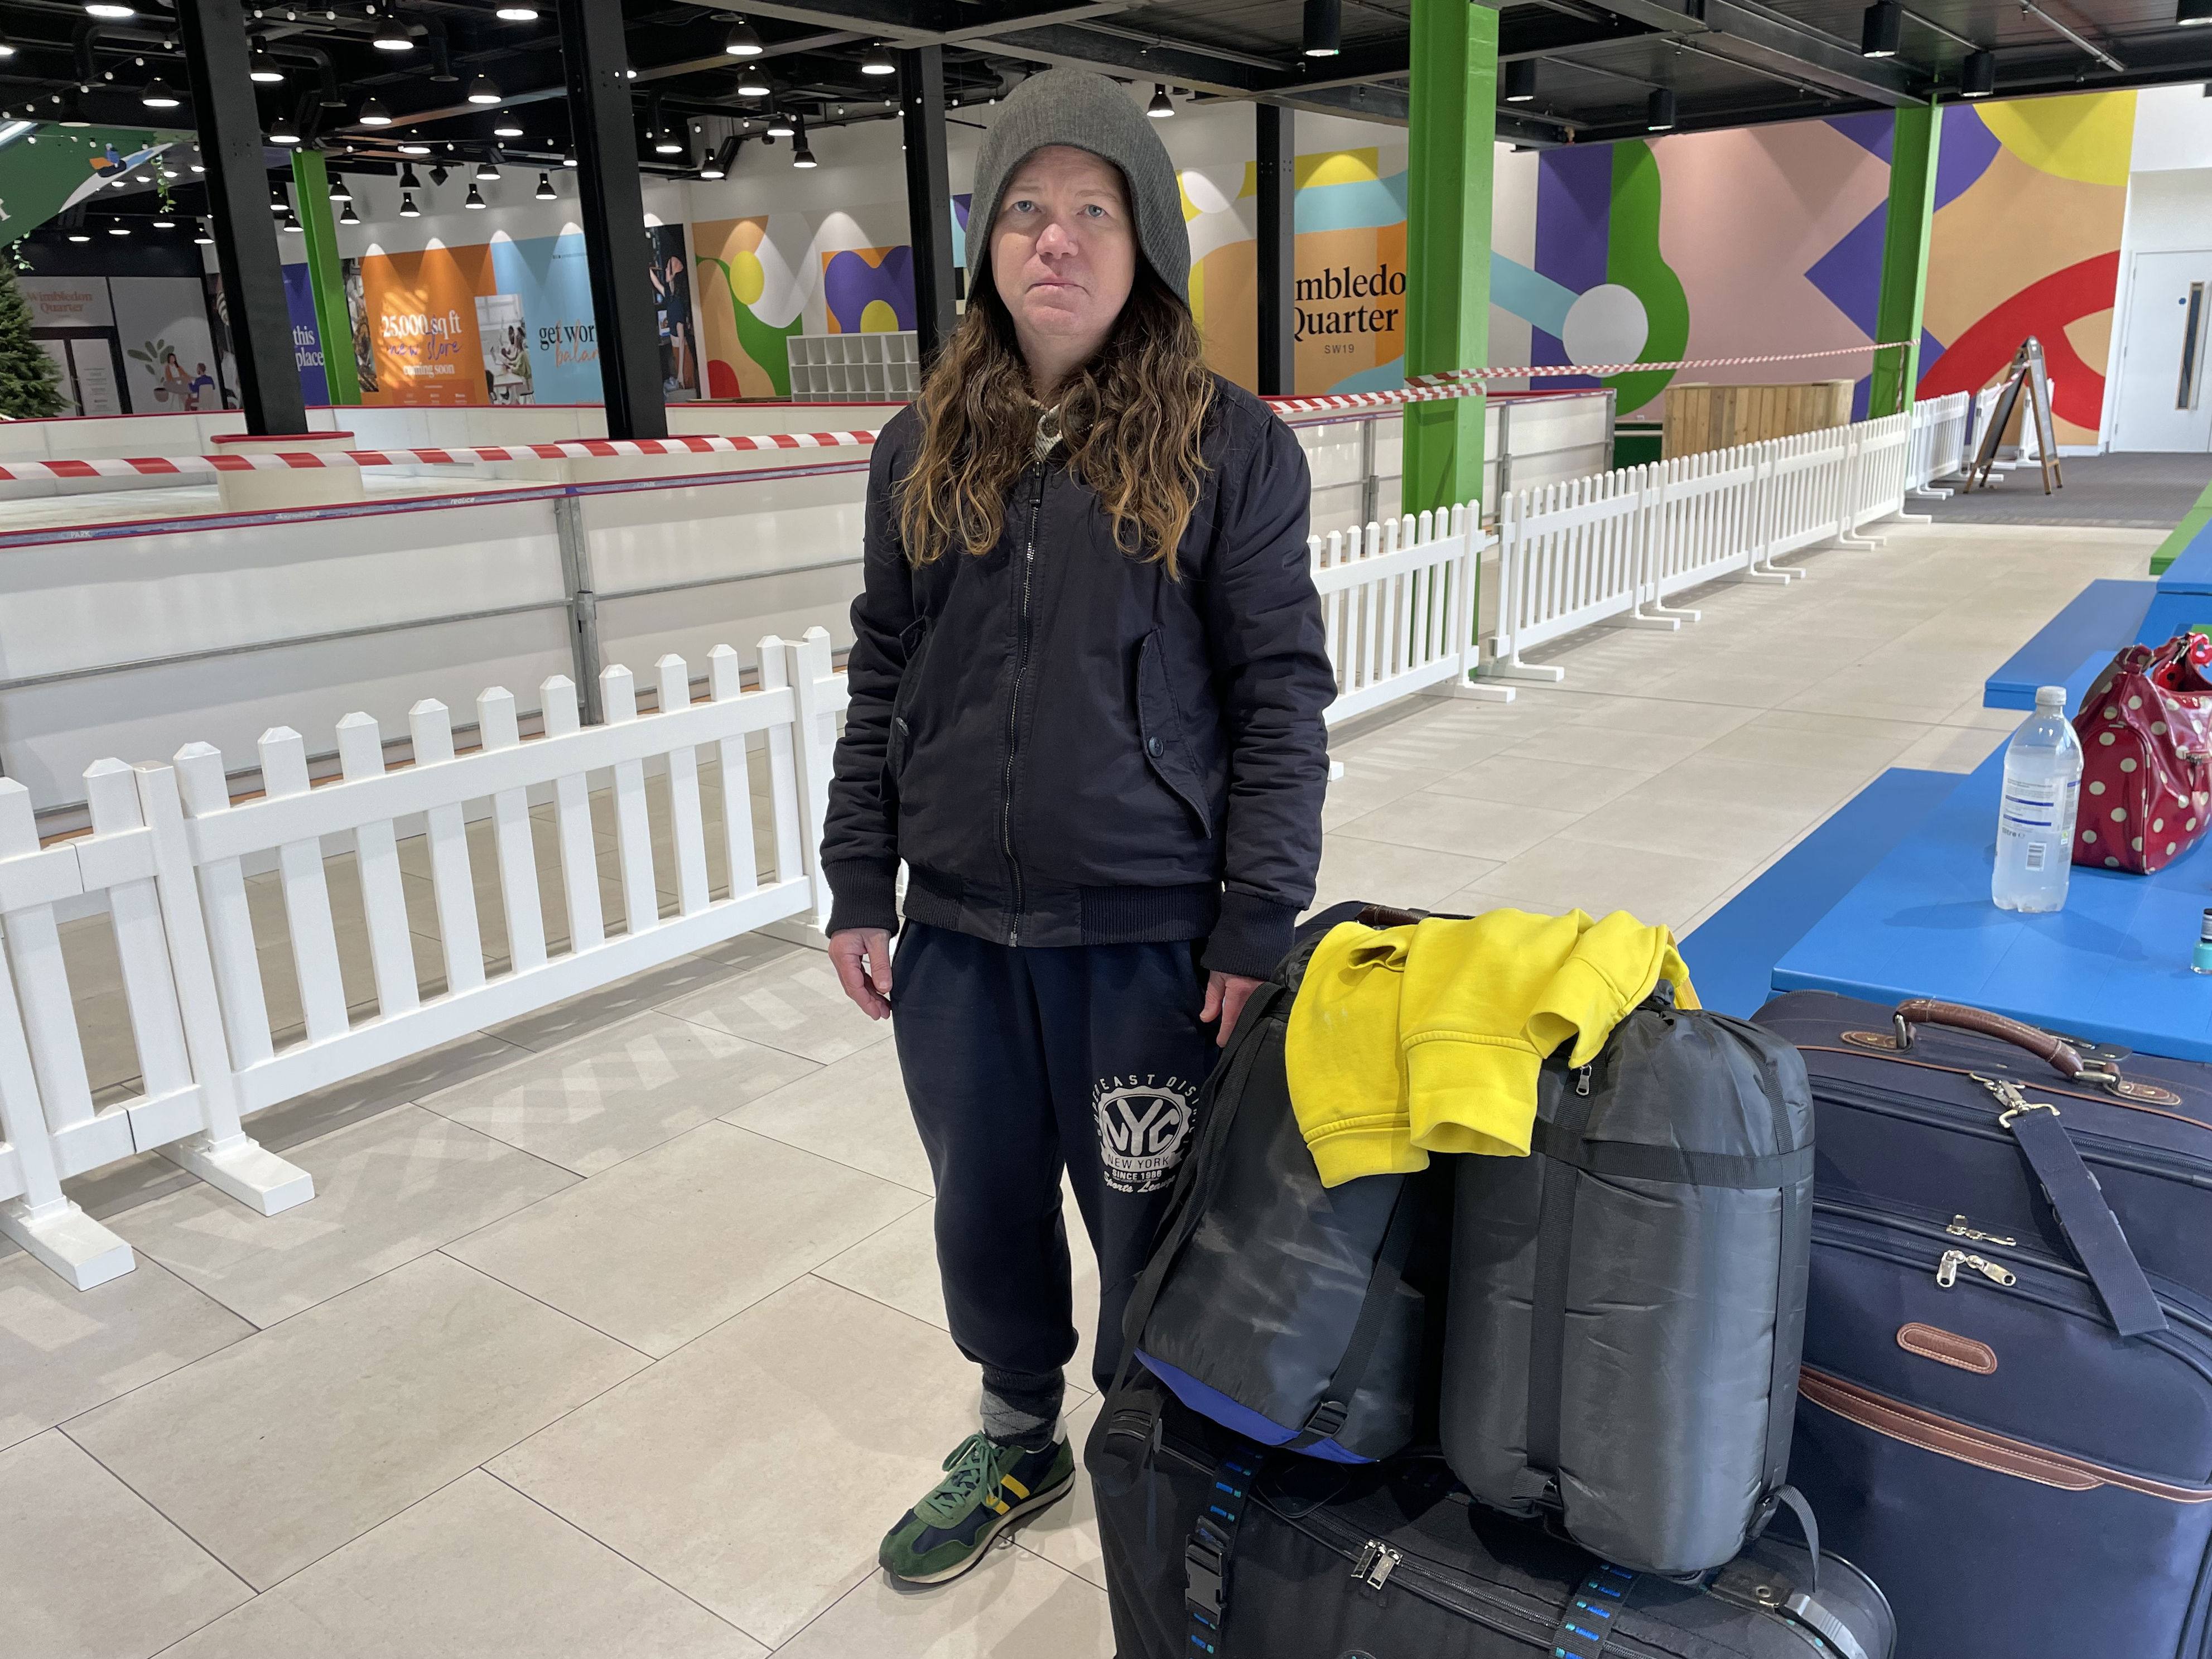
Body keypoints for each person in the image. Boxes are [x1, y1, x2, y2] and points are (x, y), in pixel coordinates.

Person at [818, 67, 1333, 1588]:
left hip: (1148, 937)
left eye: (1091, 211)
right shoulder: (919, 448)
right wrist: (861, 878)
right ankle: (1019, 1436)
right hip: (962, 931)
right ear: (990, 243)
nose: (1056, 240)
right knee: (983, 1209)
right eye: (1027, 210)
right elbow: (884, 667)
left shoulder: (1233, 447)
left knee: (1155, 1221)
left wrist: (1256, 916)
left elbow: (1281, 698)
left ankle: (1157, 1448)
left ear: (1147, 241)